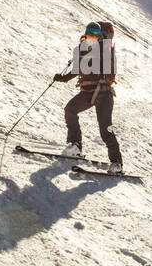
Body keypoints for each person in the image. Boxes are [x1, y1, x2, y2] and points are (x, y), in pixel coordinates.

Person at [53, 22, 123, 173]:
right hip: (87, 92)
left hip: (104, 93)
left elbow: (110, 68)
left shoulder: (104, 51)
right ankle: (75, 146)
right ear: (85, 35)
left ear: (99, 37)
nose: (92, 37)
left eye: (96, 35)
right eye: (90, 35)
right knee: (70, 110)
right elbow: (77, 70)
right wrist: (62, 78)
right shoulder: (82, 50)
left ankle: (117, 163)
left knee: (105, 129)